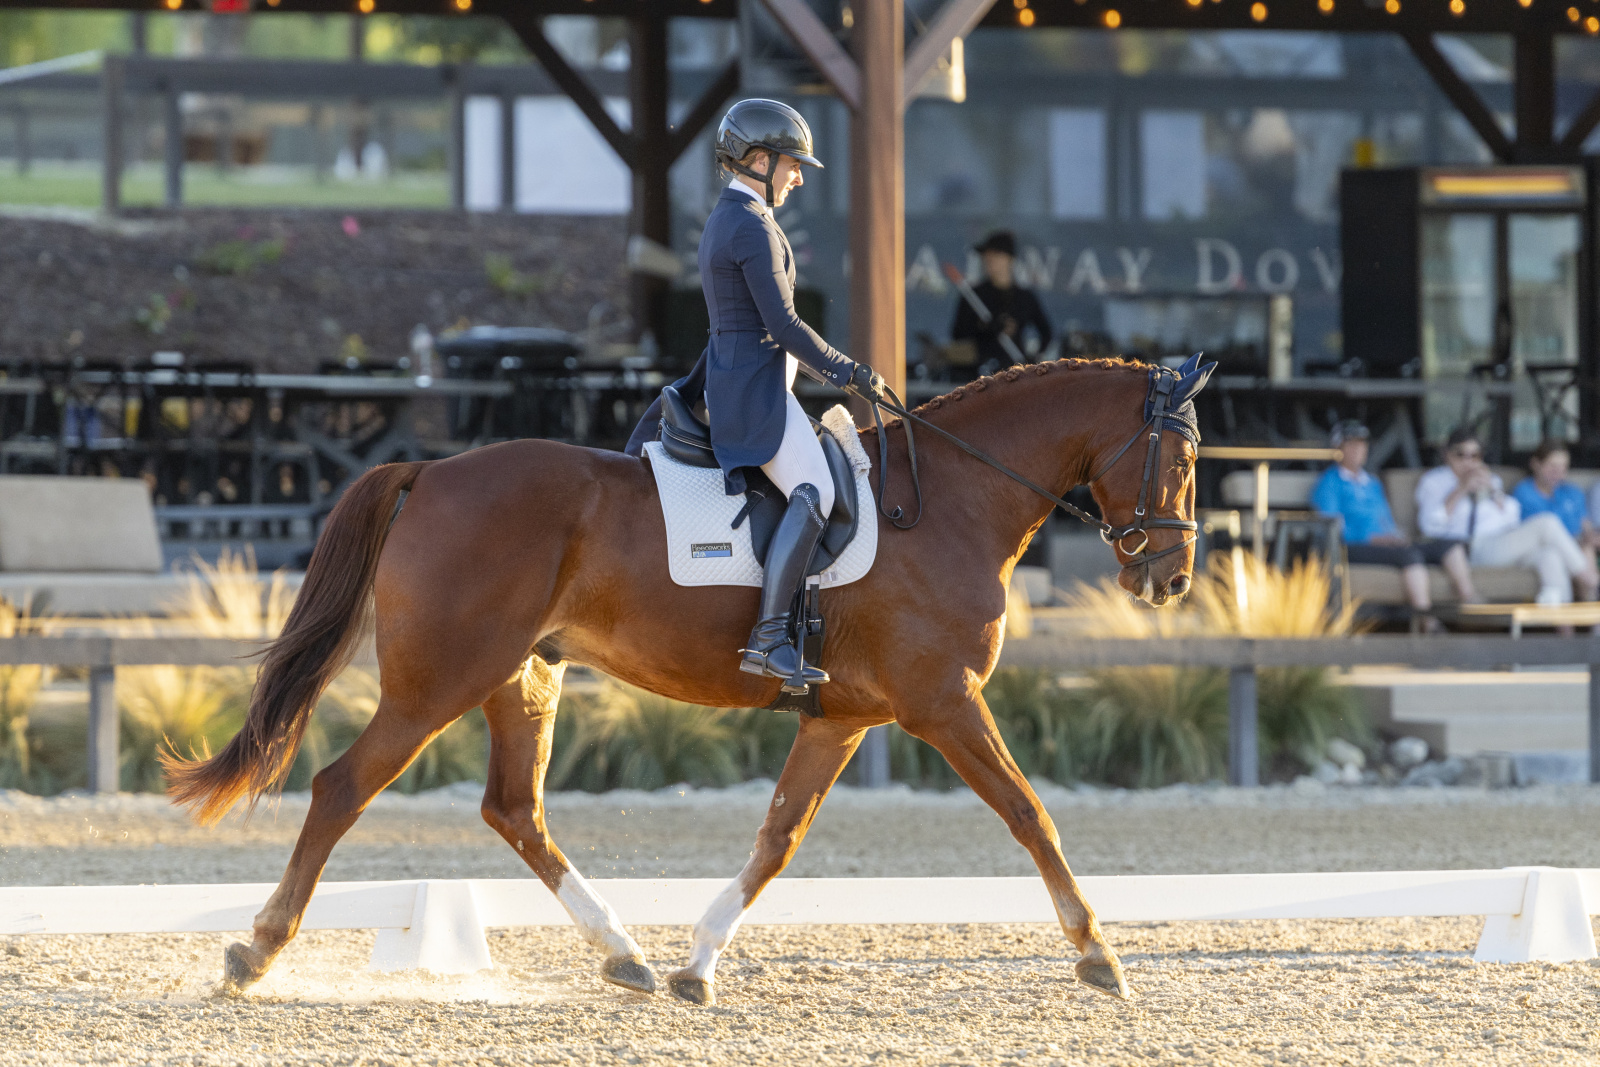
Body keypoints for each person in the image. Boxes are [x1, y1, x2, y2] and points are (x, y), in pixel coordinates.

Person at [623, 99, 886, 686]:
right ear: (759, 159)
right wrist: (849, 371)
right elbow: (785, 325)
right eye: (793, 164)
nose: (798, 175)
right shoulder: (748, 223)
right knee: (814, 491)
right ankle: (768, 638)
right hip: (752, 396)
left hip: (751, 383)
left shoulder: (736, 217)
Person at [1310, 421, 1477, 623]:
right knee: (1409, 554)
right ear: (1338, 448)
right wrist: (1373, 539)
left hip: (1387, 544)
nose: (1357, 450)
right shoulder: (1328, 483)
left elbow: (1385, 520)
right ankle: (1426, 621)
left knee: (1446, 546)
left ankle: (1472, 603)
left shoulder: (1372, 483)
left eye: (1362, 444)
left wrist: (1396, 536)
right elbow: (1331, 528)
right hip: (1354, 546)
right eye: (1351, 444)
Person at [1416, 428, 1599, 605]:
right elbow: (1429, 525)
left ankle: (1565, 632)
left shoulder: (1491, 479)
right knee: (1547, 522)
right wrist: (1461, 489)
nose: (1468, 461)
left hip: (1502, 544)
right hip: (1469, 548)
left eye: (1475, 455)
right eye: (1461, 454)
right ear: (1447, 454)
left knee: (1550, 555)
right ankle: (1592, 581)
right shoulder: (1434, 481)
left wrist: (1494, 492)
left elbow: (1512, 519)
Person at [950, 231, 1053, 373]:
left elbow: (1046, 332)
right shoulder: (974, 295)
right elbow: (958, 334)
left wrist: (1033, 359)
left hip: (1014, 371)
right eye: (987, 256)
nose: (989, 260)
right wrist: (985, 327)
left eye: (995, 255)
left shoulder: (1024, 297)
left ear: (1009, 259)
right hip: (978, 373)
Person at [1514, 440, 1600, 556]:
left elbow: (1586, 526)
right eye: (1552, 466)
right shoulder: (1523, 492)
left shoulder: (1573, 492)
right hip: (1543, 549)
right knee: (1586, 550)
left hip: (1577, 546)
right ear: (1535, 464)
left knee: (1588, 547)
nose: (1557, 472)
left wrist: (1591, 537)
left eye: (1563, 467)